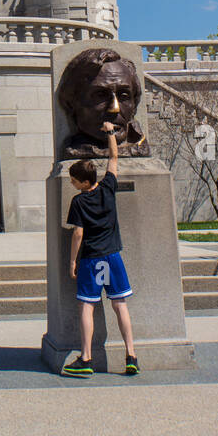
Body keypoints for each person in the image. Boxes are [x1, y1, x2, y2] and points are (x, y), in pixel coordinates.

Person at [62, 122, 139, 378]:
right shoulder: (108, 188)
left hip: (92, 259)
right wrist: (110, 134)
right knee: (120, 304)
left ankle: (85, 358)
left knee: (87, 306)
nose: (71, 183)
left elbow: (78, 233)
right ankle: (131, 355)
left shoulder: (79, 201)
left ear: (83, 182)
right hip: (113, 256)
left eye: (73, 180)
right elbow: (114, 158)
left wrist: (72, 261)